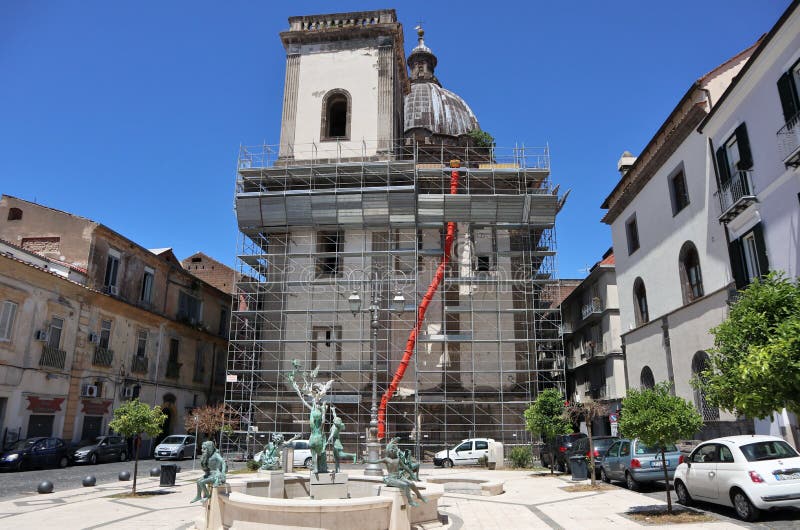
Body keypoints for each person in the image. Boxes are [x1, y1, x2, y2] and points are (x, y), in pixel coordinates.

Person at [365, 437, 427, 507]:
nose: (394, 451)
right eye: (392, 450)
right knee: (406, 485)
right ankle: (410, 501)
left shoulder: (398, 459)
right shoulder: (386, 459)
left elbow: (405, 467)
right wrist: (366, 461)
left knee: (411, 483)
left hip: (398, 477)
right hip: (391, 479)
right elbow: (375, 461)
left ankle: (419, 496)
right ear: (389, 451)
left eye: (395, 449)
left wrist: (411, 474)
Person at [327, 406, 357, 472]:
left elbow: (331, 435)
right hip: (335, 441)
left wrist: (327, 442)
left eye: (335, 420)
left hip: (336, 442)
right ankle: (337, 469)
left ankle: (353, 455)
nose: (334, 420)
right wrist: (333, 410)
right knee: (336, 457)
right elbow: (334, 416)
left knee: (340, 455)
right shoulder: (336, 425)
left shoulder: (336, 428)